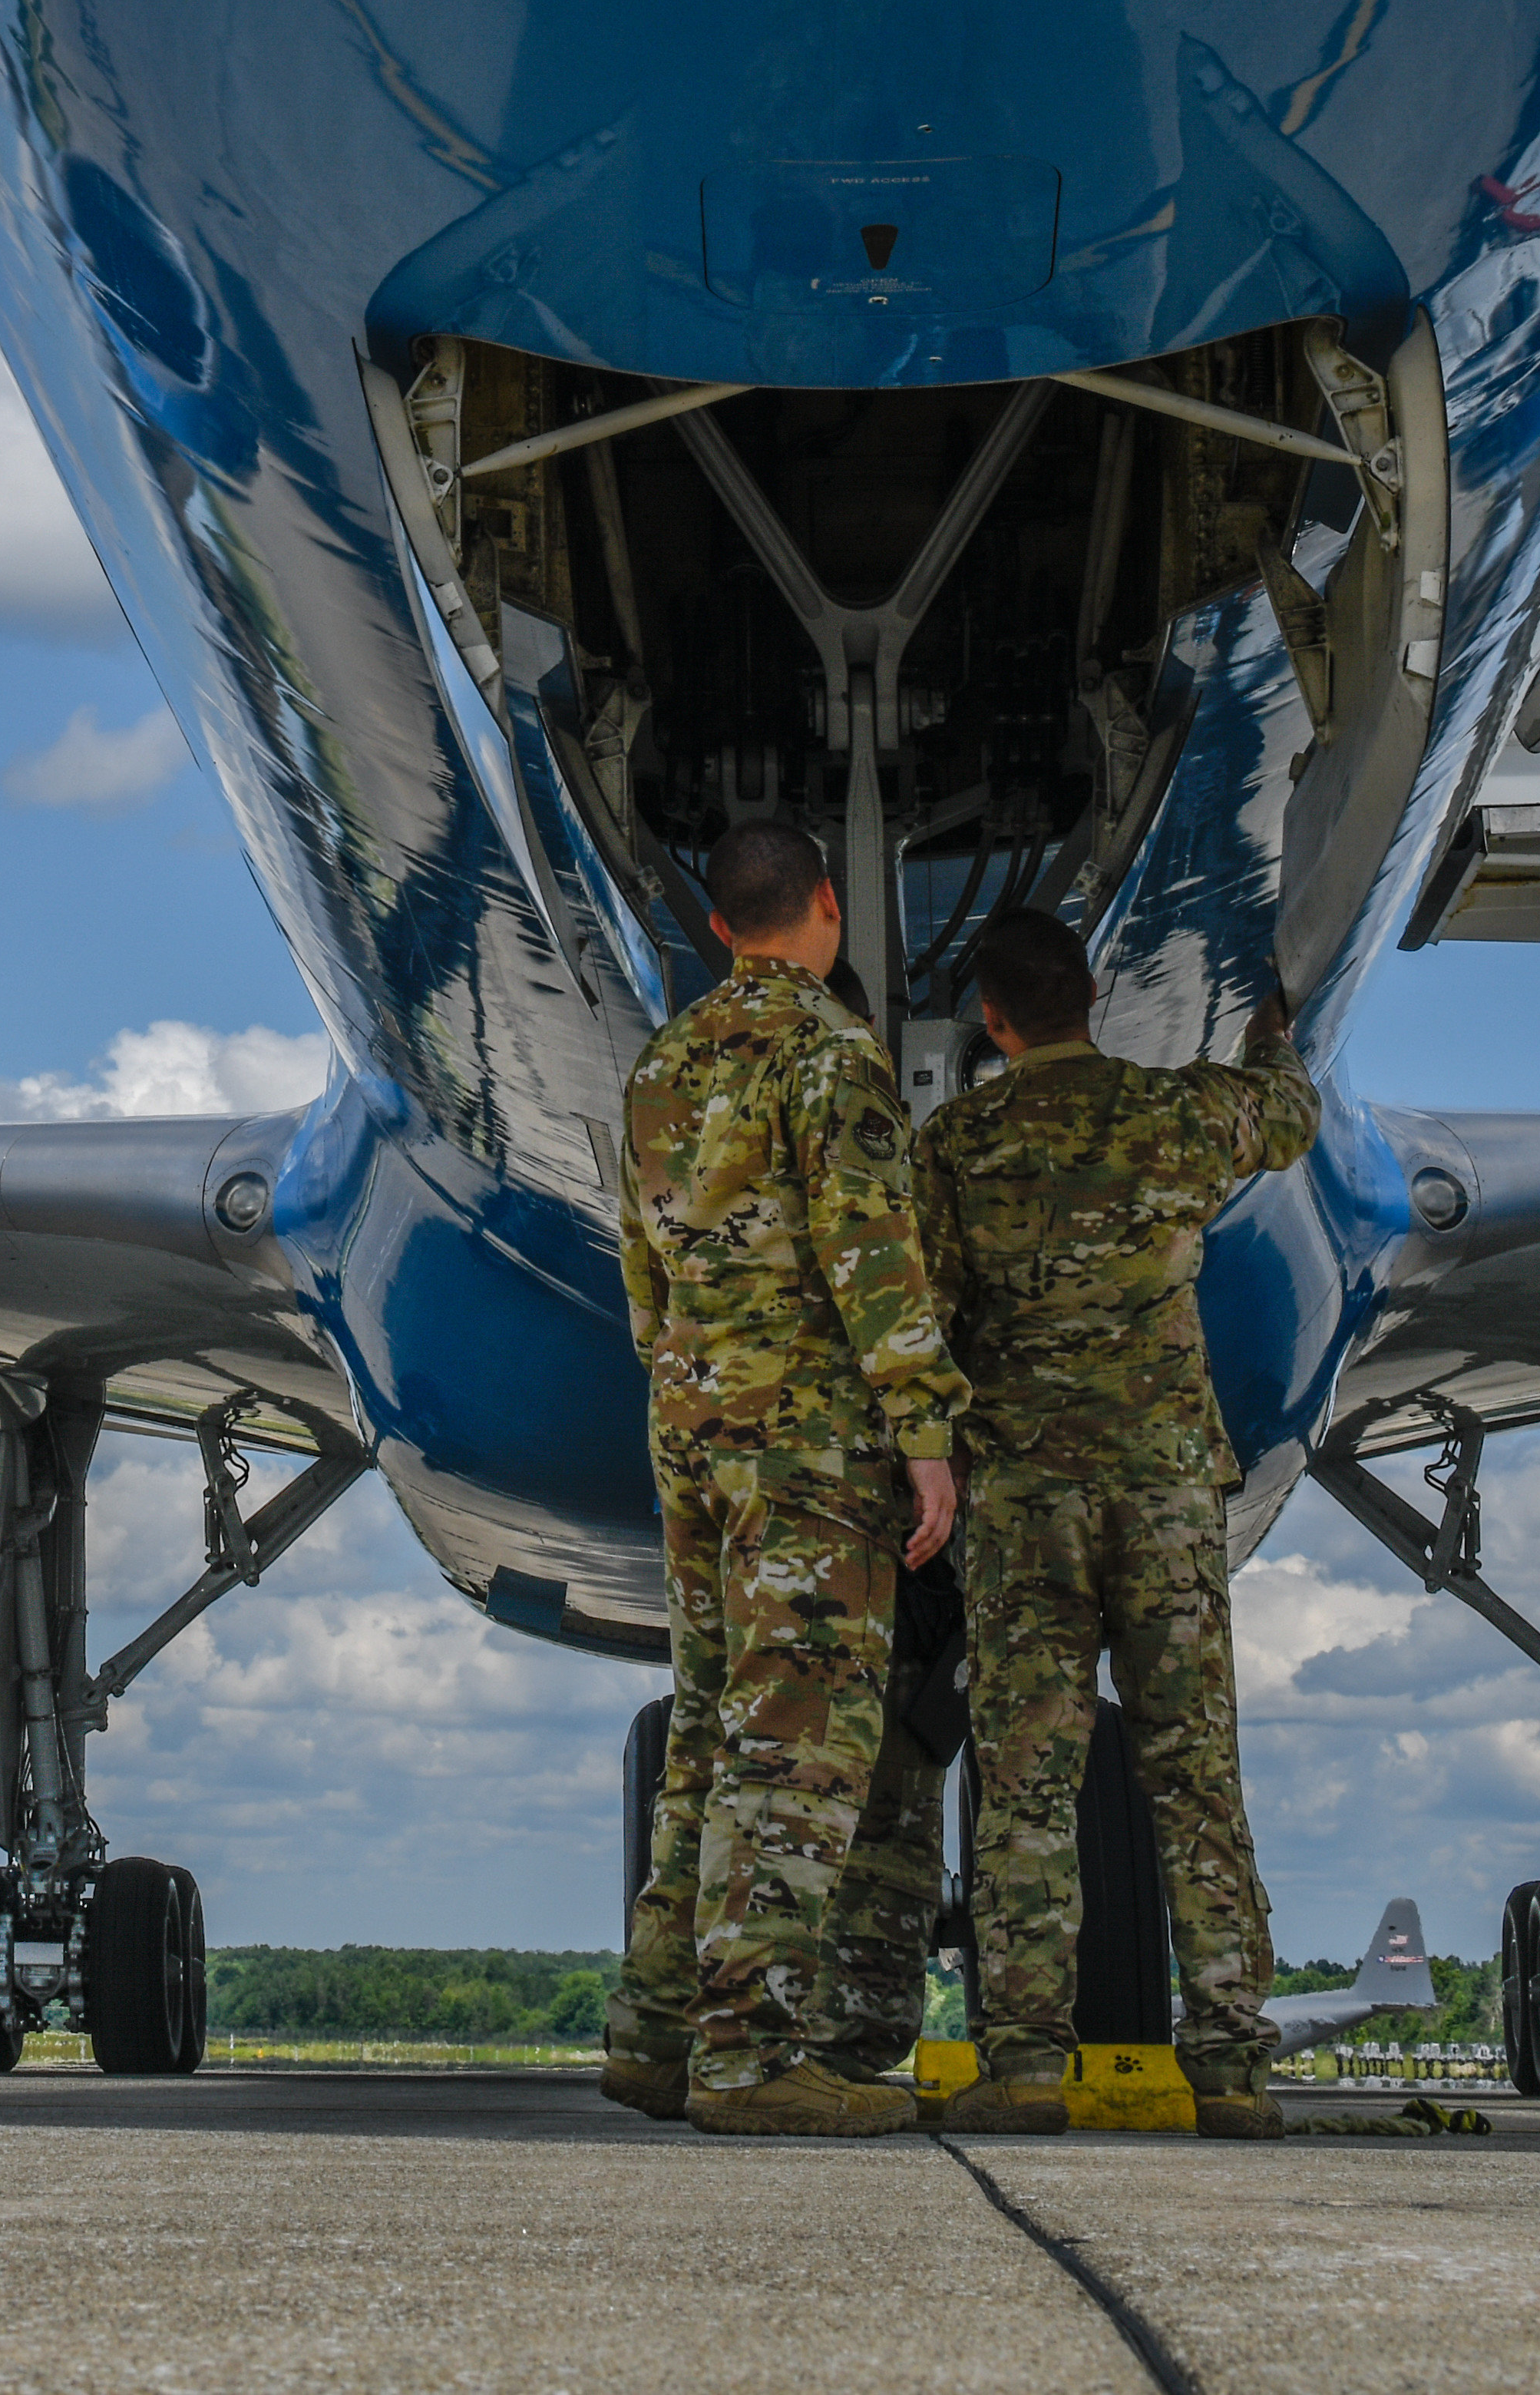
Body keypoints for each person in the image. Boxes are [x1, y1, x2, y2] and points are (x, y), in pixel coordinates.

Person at [914, 902, 1314, 2142]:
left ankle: (1028, 2060)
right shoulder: (1174, 1114)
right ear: (1094, 994)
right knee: (1194, 1771)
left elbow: (917, 1314)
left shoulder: (960, 1140)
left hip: (1024, 1502)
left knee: (1027, 1786)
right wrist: (1276, 1032)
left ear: (991, 1022)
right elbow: (1286, 1120)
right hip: (1164, 1495)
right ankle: (1235, 2062)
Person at [600, 819, 964, 2139]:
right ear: (828, 904)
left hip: (690, 1430)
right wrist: (924, 1433)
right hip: (804, 1441)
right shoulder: (832, 1054)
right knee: (799, 1737)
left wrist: (692, 1385)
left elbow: (642, 1270)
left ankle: (651, 2031)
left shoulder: (662, 1065)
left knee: (706, 1724)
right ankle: (752, 2054)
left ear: (716, 928)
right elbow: (874, 1256)